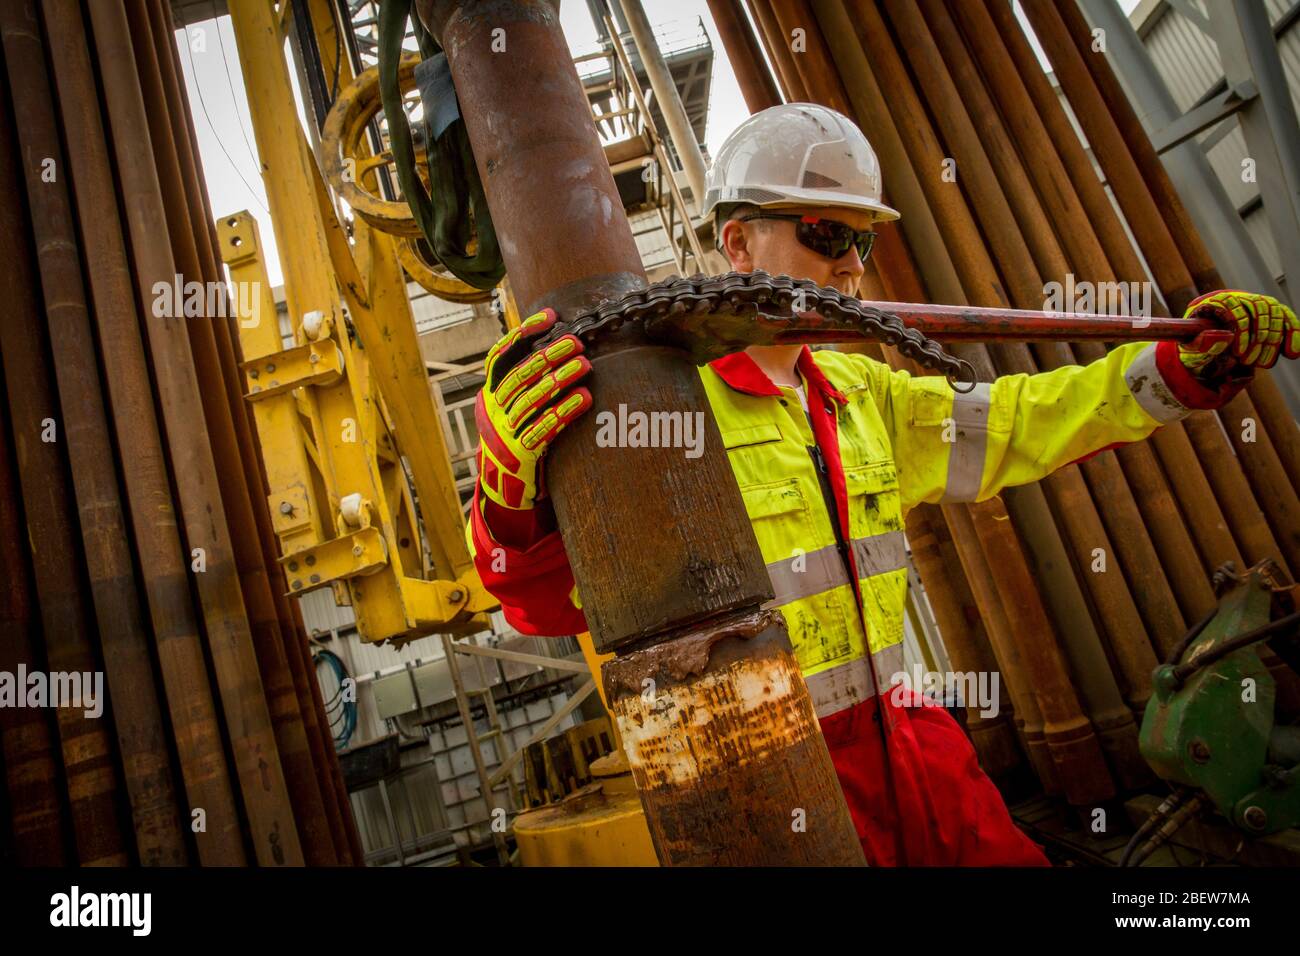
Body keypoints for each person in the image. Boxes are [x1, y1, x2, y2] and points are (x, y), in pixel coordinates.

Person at [465, 104, 1300, 865]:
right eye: (828, 236)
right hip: (787, 781)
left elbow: (1023, 421)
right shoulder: (673, 417)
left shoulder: (866, 397)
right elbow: (552, 606)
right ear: (738, 244)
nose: (852, 269)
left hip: (914, 747)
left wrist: (1178, 370)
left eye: (863, 243)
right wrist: (509, 501)